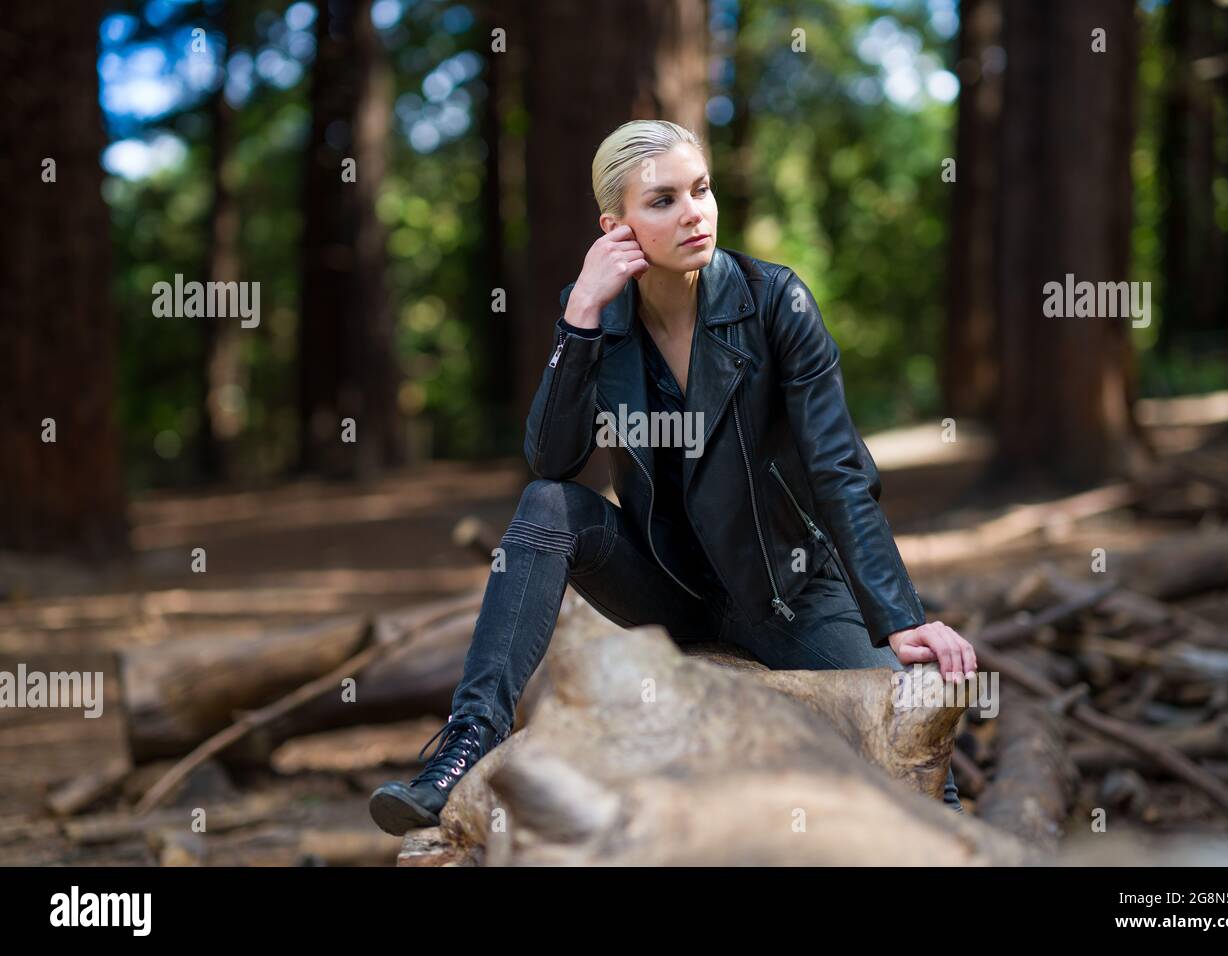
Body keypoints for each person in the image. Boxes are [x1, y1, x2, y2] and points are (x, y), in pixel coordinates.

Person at [368, 119, 977, 836]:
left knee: (904, 741)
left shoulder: (776, 303)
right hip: (670, 592)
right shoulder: (600, 313)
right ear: (616, 226)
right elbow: (553, 462)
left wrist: (900, 617)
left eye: (702, 189)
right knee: (546, 505)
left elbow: (841, 471)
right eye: (661, 200)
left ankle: (961, 847)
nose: (693, 211)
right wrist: (581, 319)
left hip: (788, 594)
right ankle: (465, 746)